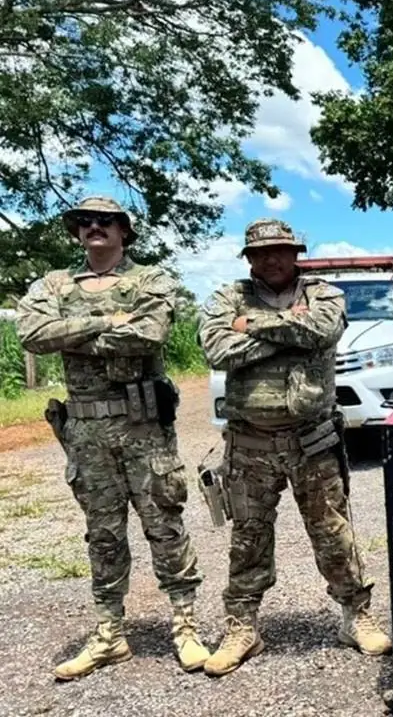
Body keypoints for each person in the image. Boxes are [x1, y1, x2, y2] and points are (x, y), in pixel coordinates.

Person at [16, 196, 208, 680]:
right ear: (76, 232)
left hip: (143, 427)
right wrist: (107, 321)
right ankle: (110, 634)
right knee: (102, 534)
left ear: (124, 231)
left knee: (164, 524)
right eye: (85, 222)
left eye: (105, 221)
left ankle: (185, 626)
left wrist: (72, 333)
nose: (94, 228)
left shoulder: (150, 280)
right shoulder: (54, 284)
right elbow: (33, 334)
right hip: (85, 431)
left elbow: (150, 334)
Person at [197, 218, 392, 676]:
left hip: (313, 440)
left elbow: (321, 332)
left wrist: (252, 328)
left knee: (333, 532)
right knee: (248, 539)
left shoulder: (324, 294)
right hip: (249, 443)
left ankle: (355, 615)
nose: (272, 258)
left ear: (296, 253)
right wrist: (286, 331)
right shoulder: (228, 298)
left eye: (281, 249)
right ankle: (241, 626)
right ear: (249, 258)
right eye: (262, 252)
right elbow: (217, 350)